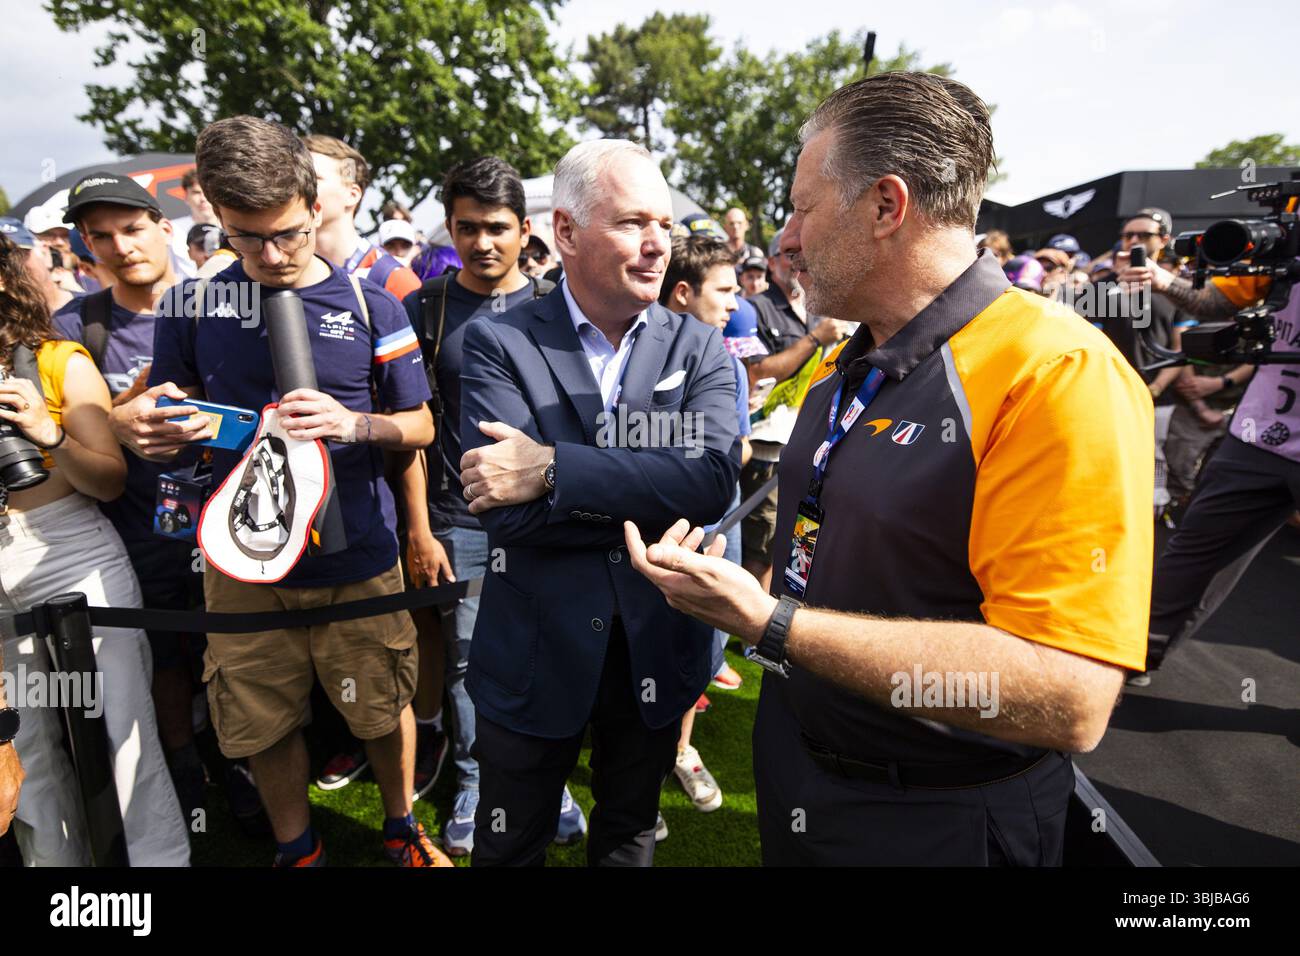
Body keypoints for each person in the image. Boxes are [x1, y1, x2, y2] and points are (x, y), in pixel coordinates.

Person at [626, 71, 1153, 866]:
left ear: (885, 206)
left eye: (803, 208)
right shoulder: (847, 360)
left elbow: (1068, 695)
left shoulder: (1058, 372)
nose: (785, 240)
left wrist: (770, 622)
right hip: (803, 766)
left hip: (935, 817)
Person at [109, 115, 449, 867]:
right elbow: (165, 401)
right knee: (258, 716)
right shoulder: (192, 305)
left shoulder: (374, 305)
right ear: (215, 219)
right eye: (244, 236)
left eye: (288, 234)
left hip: (358, 553)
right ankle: (297, 848)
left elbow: (420, 426)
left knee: (380, 702)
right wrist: (149, 425)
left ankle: (401, 828)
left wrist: (355, 426)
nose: (270, 255)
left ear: (313, 203)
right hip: (241, 562)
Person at [457, 138, 740, 866]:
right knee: (509, 842)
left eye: (666, 226)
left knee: (627, 837)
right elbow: (506, 512)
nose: (657, 246)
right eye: (632, 224)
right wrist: (647, 485)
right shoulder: (496, 341)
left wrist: (551, 467)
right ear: (567, 233)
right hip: (533, 647)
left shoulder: (699, 348)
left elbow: (710, 481)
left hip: (656, 646)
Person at [401, 155, 586, 856]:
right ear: (450, 228)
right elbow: (412, 433)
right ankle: (480, 780)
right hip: (460, 519)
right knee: (470, 661)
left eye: (497, 228)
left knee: (556, 650)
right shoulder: (427, 307)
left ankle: (548, 778)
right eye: (466, 227)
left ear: (525, 229)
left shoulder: (557, 304)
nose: (482, 242)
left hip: (548, 512)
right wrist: (420, 528)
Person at [0, 231, 190, 866]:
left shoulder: (55, 358)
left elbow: (109, 478)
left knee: (121, 738)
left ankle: (157, 869)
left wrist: (44, 431)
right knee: (28, 751)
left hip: (72, 550)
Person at [51, 175, 214, 821]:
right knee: (162, 657)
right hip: (135, 525)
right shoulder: (75, 325)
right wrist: (123, 408)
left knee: (237, 650)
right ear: (86, 246)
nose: (120, 246)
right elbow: (63, 436)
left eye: (133, 228)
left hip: (229, 514)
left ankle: (242, 765)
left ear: (165, 227)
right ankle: (185, 770)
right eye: (101, 236)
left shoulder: (219, 304)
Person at [302, 133, 440, 796]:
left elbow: (414, 424)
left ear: (352, 193)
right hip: (298, 520)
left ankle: (406, 760)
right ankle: (344, 743)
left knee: (384, 656)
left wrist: (418, 527)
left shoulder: (391, 281)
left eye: (313, 174)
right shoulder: (263, 283)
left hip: (375, 513)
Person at [1118, 228, 1299, 682]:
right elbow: (1216, 304)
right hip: (1259, 437)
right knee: (1194, 553)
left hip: (1255, 431)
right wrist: (1163, 281)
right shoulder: (1293, 219)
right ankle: (1135, 656)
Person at [658, 232, 754, 814]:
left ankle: (682, 750)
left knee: (702, 636)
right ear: (684, 293)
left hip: (719, 520)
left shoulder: (731, 365)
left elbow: (733, 448)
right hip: (654, 526)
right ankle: (636, 766)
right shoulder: (639, 355)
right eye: (724, 290)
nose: (736, 303)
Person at [739, 229, 851, 592]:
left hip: (810, 441)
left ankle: (771, 619)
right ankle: (750, 626)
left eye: (804, 250)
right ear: (771, 264)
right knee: (762, 535)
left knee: (791, 534)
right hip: (765, 444)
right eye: (788, 253)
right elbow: (757, 371)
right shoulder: (756, 307)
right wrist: (815, 340)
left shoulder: (820, 306)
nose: (797, 260)